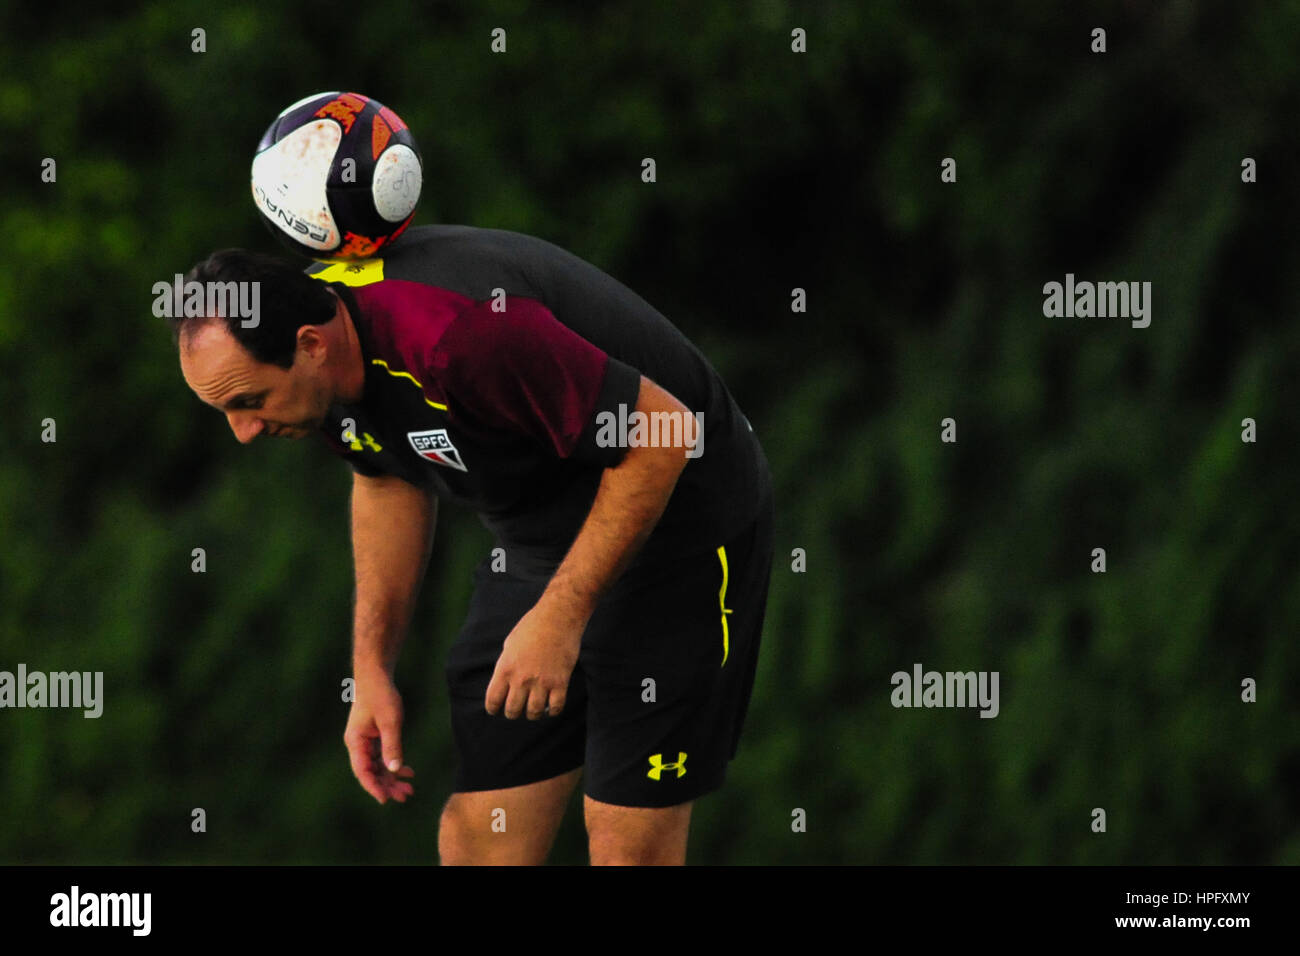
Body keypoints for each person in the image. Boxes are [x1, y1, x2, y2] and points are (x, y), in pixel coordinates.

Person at [169, 224, 774, 865]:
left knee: (627, 844)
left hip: (678, 535)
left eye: (248, 401)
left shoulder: (458, 336)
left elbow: (661, 433)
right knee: (480, 838)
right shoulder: (321, 358)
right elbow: (385, 479)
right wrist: (371, 671)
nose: (244, 431)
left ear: (312, 345)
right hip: (536, 542)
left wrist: (560, 616)